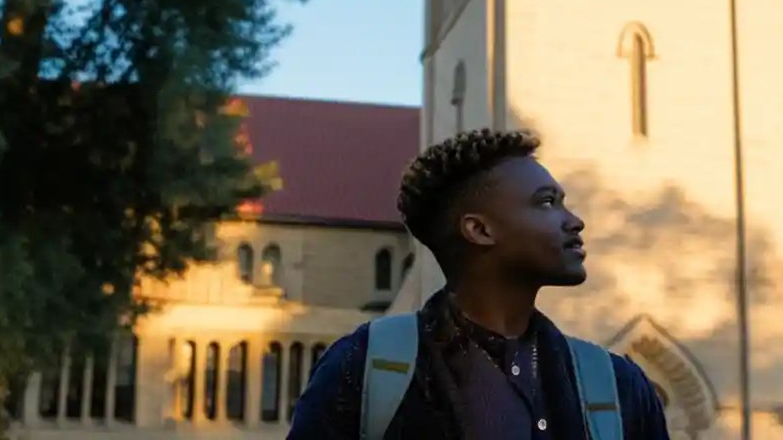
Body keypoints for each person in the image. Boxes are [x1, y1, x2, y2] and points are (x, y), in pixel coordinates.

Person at [287, 129, 670, 439]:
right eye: (547, 203)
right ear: (480, 230)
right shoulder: (366, 368)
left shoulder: (619, 387)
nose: (575, 221)